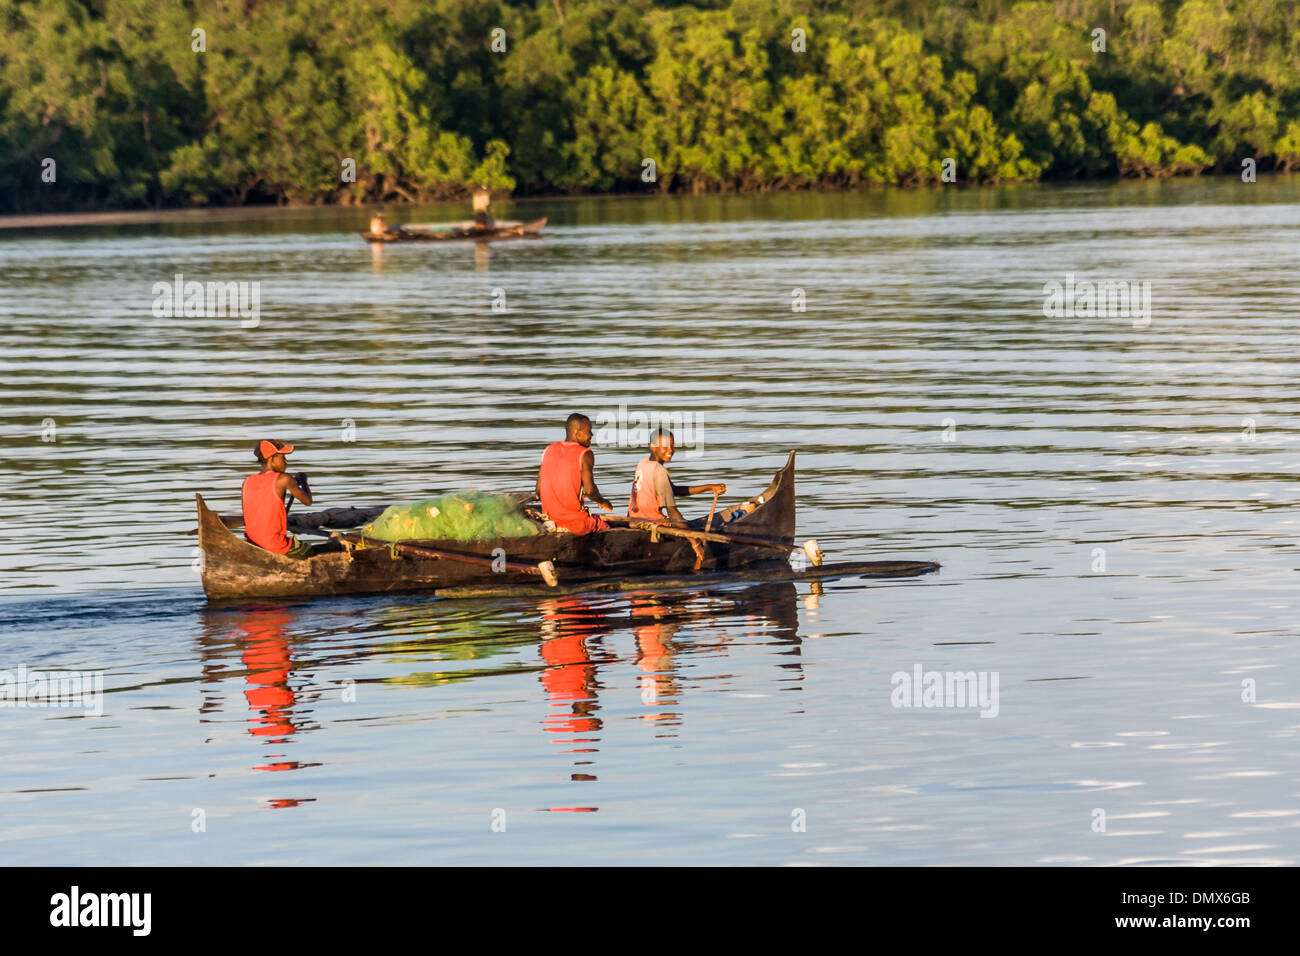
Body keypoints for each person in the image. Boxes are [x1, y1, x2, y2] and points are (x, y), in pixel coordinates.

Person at [628, 428, 726, 527]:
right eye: (665, 446)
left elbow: (674, 490)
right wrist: (694, 540)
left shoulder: (643, 463)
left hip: (634, 521)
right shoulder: (659, 471)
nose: (670, 450)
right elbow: (672, 511)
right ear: (652, 446)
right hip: (653, 524)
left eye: (672, 446)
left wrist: (709, 487)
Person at [536, 413, 613, 535]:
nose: (591, 435)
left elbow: (539, 490)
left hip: (549, 520)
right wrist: (603, 501)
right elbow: (589, 491)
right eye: (589, 431)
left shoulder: (548, 450)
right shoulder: (585, 453)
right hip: (576, 524)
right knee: (607, 530)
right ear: (577, 433)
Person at [242, 439, 314, 558]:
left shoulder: (247, 482)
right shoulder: (284, 479)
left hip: (253, 544)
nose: (286, 461)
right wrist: (304, 481)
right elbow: (308, 501)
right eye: (283, 457)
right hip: (276, 546)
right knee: (309, 550)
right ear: (271, 459)